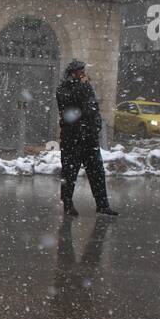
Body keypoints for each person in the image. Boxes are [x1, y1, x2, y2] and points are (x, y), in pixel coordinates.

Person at [56, 60, 118, 218]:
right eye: (80, 71)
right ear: (72, 73)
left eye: (84, 70)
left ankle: (102, 205)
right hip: (72, 138)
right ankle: (68, 203)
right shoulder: (65, 89)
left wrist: (96, 125)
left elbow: (92, 109)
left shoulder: (85, 87)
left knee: (97, 171)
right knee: (69, 173)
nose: (83, 73)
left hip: (89, 138)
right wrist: (83, 87)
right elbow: (72, 108)